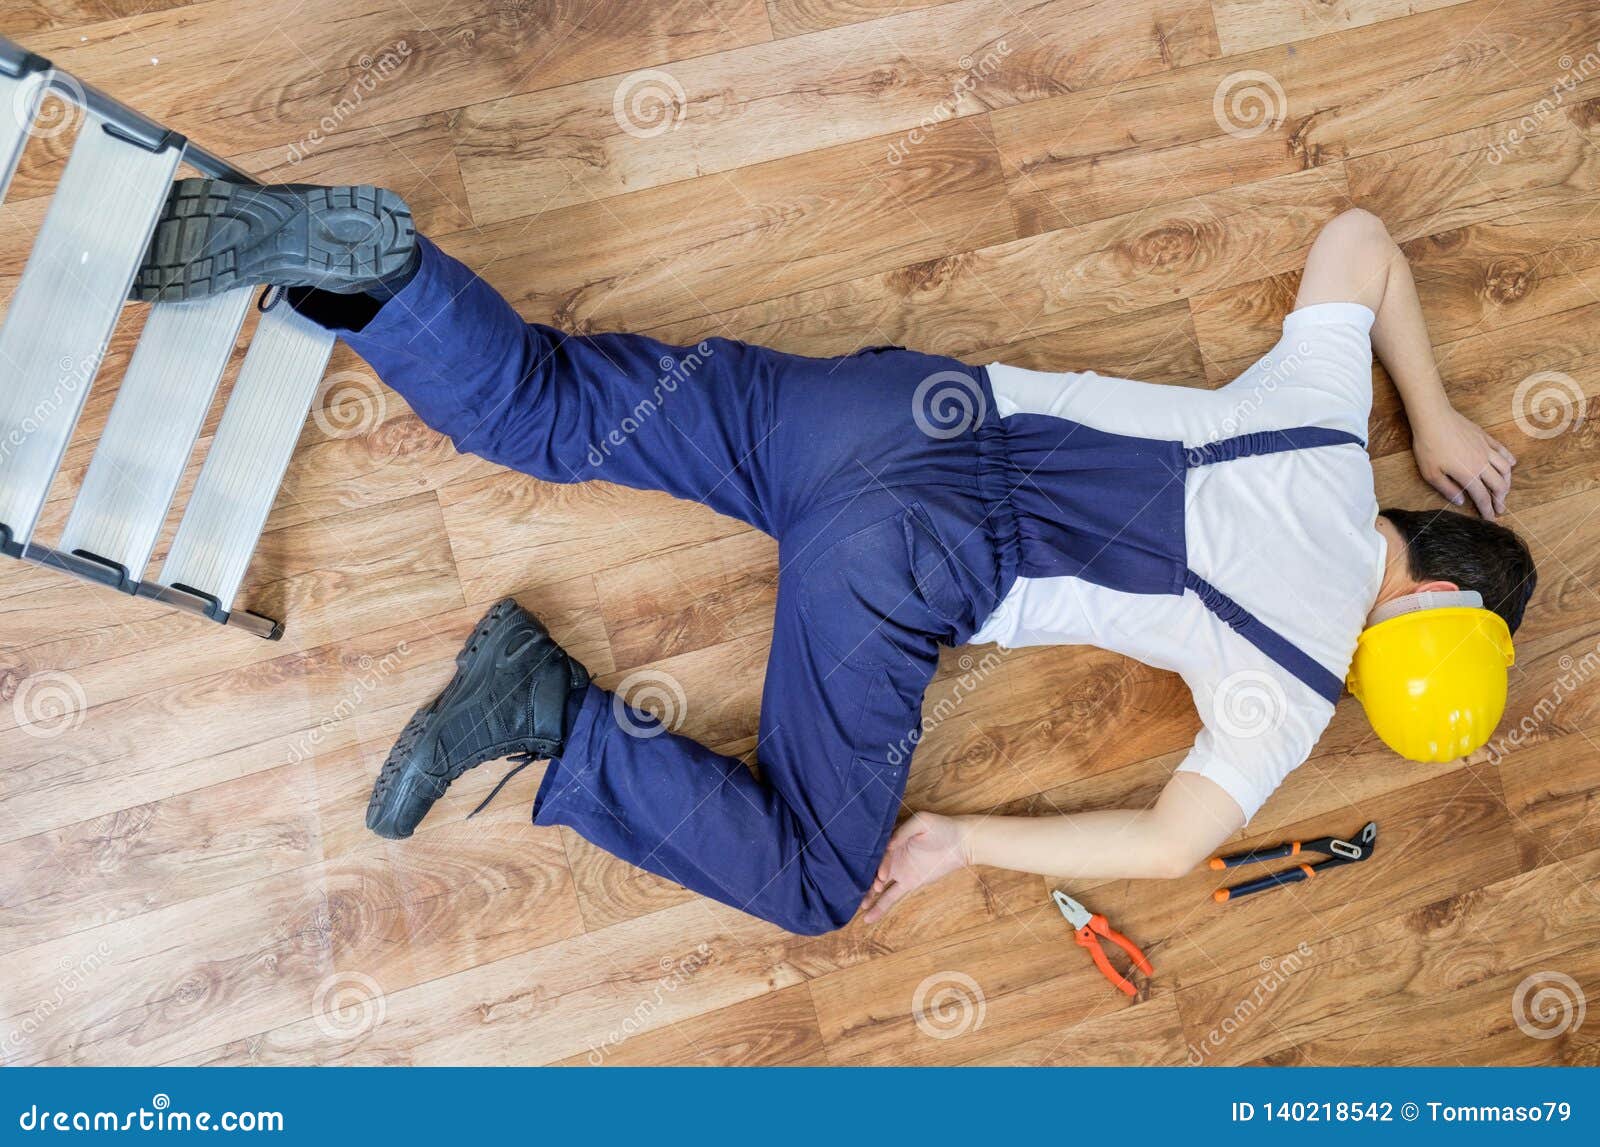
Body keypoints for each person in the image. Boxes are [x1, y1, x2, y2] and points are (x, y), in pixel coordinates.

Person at [135, 184, 1536, 935]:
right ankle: (551, 719)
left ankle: (376, 275)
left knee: (560, 412)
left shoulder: (1320, 434)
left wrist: (1435, 405)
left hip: (894, 405)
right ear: (1449, 605)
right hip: (904, 560)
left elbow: (1357, 239)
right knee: (816, 885)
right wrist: (958, 837)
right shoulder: (1291, 685)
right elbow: (1176, 843)